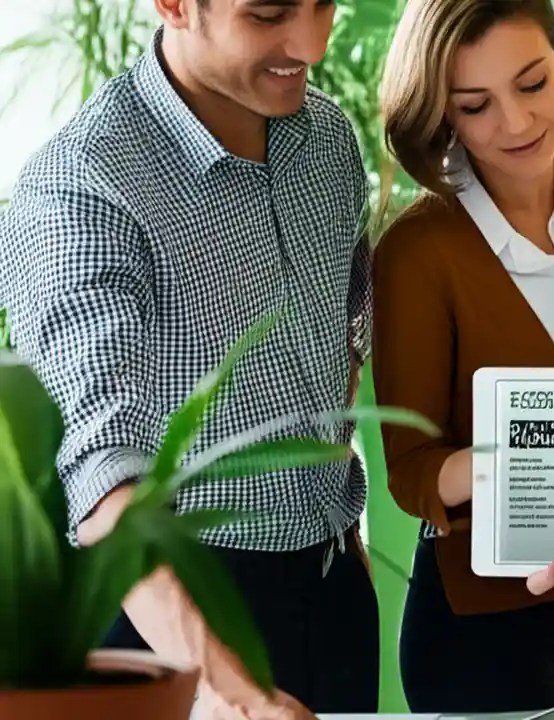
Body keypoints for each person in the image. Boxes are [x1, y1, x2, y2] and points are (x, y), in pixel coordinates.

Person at [0, 1, 376, 718]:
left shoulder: (327, 140)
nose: (313, 43)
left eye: (327, 3)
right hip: (174, 622)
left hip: (333, 589)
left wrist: (343, 536)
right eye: (269, 13)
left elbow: (344, 334)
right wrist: (233, 694)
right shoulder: (82, 186)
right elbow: (103, 479)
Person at [372, 0, 554, 712]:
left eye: (532, 84)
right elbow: (410, 473)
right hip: (484, 626)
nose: (515, 123)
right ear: (443, 109)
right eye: (475, 105)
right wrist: (532, 471)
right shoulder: (418, 250)